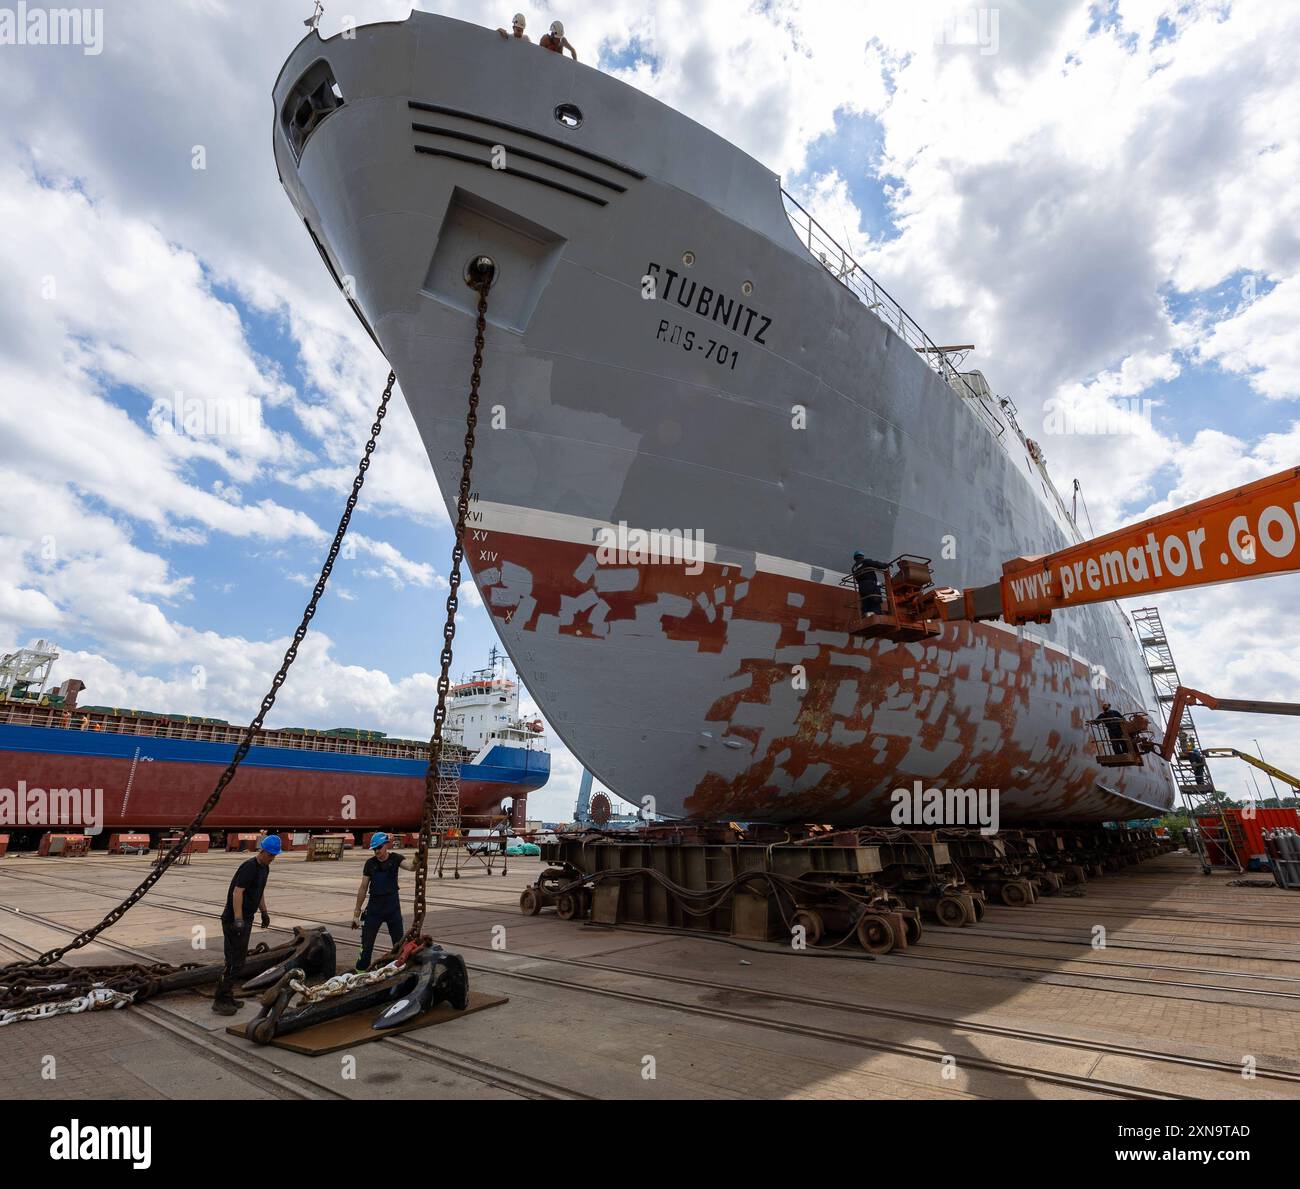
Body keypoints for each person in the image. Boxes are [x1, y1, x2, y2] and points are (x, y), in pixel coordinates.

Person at [212, 834, 280, 1015]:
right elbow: (237, 892)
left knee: (239, 961)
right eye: (270, 854)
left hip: (246, 918)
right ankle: (220, 999)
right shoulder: (249, 867)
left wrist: (264, 912)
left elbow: (259, 891)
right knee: (233, 961)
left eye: (274, 855)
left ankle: (227, 994)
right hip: (234, 920)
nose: (272, 858)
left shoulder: (264, 869)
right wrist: (238, 919)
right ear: (262, 850)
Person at [351, 832, 416, 972]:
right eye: (374, 849)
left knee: (398, 946)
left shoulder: (395, 859)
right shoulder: (370, 864)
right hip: (374, 910)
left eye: (379, 848)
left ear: (386, 845)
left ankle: (399, 972)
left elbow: (411, 867)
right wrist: (357, 913)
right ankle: (360, 974)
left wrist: (418, 860)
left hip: (393, 909)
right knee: (366, 946)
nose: (377, 852)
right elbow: (363, 888)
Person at [850, 551, 888, 616]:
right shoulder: (866, 561)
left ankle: (865, 615)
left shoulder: (853, 568)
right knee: (875, 600)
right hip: (870, 585)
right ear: (862, 556)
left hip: (861, 587)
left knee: (865, 601)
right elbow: (876, 564)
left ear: (855, 558)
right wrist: (886, 565)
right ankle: (876, 613)